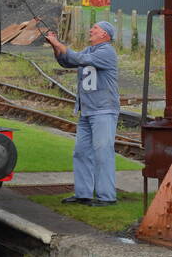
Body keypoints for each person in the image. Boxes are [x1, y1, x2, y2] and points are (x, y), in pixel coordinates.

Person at [43, 21, 120, 206]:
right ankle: (83, 194)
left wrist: (57, 43)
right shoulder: (89, 50)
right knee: (81, 153)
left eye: (95, 28)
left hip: (103, 110)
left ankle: (107, 197)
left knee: (103, 153)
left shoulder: (107, 51)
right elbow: (66, 61)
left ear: (105, 35)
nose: (90, 30)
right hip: (86, 111)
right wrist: (55, 46)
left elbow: (77, 58)